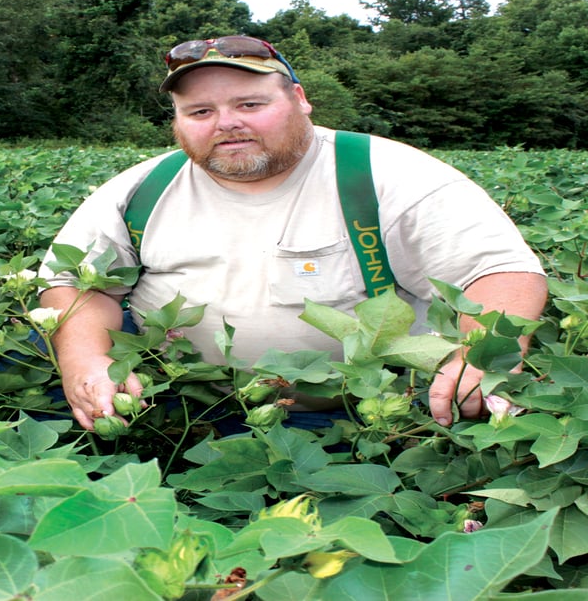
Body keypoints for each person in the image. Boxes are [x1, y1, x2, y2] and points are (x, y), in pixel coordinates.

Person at [38, 35, 547, 432]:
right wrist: (85, 360)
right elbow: (77, 282)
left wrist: (477, 355)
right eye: (200, 112)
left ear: (300, 99)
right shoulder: (144, 187)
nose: (226, 124)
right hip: (173, 403)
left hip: (363, 416)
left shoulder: (386, 174)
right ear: (178, 120)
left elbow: (500, 273)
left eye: (250, 104)